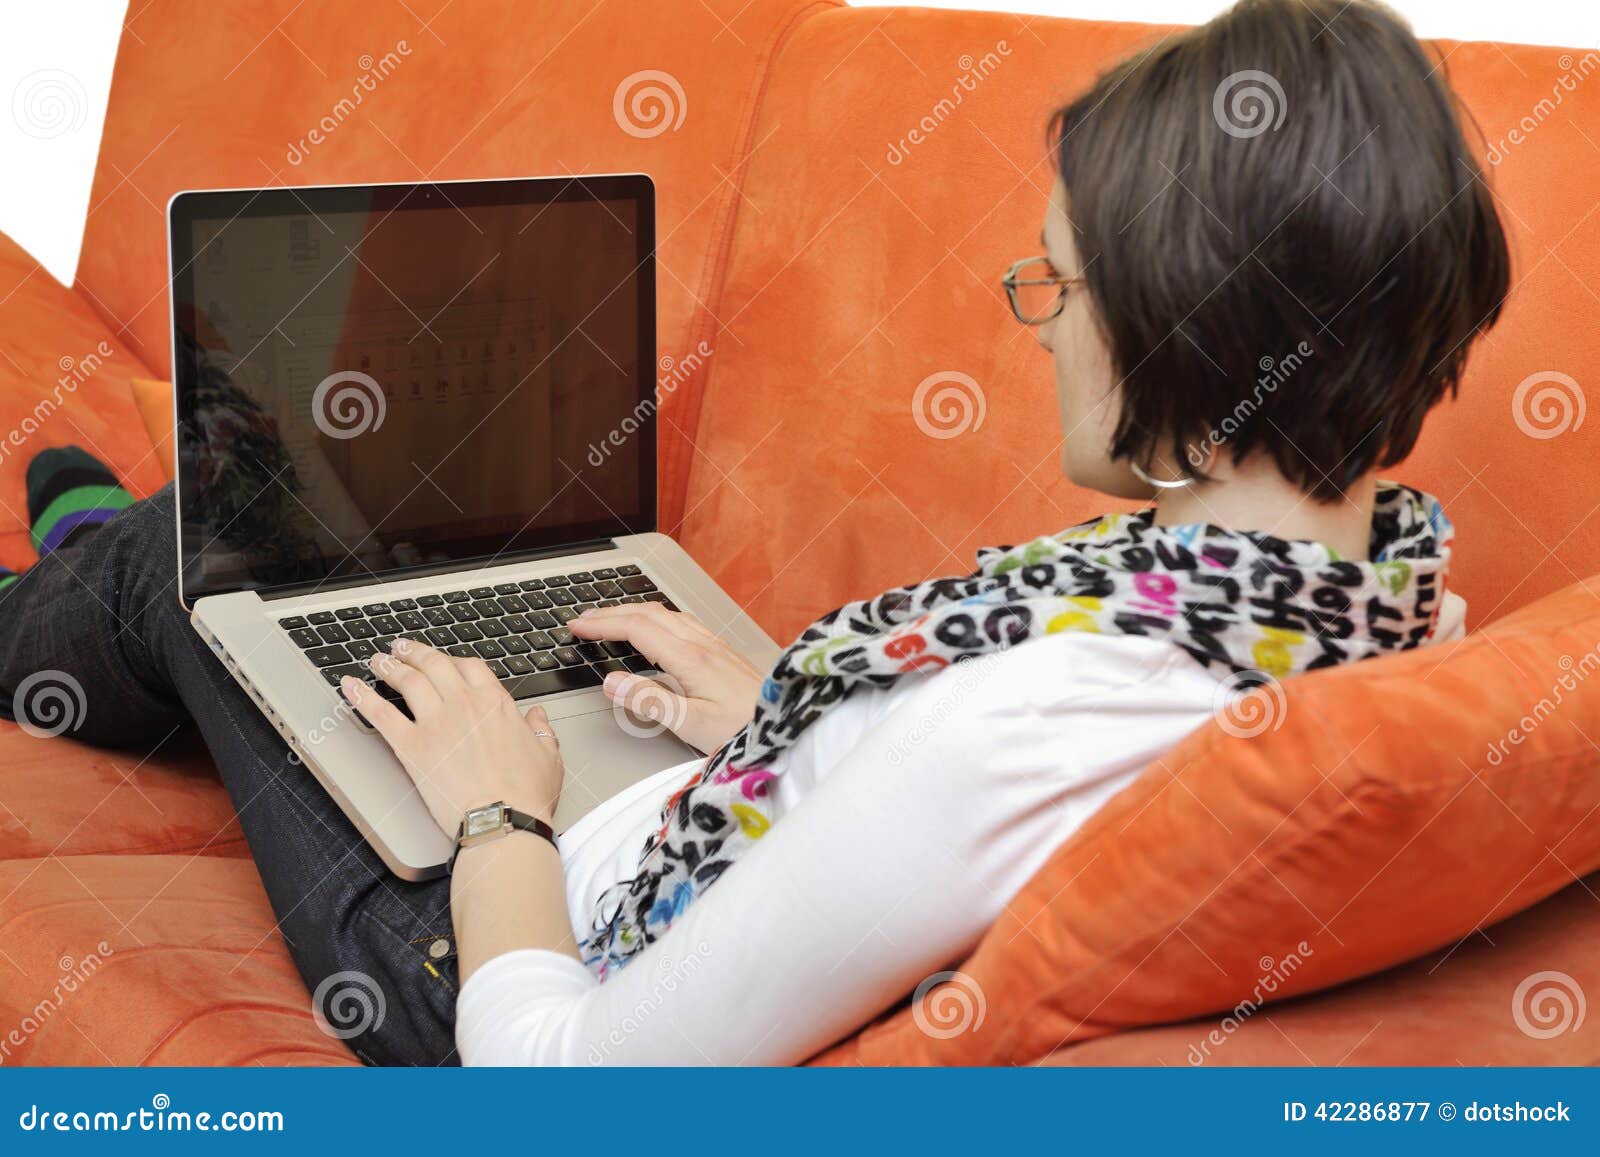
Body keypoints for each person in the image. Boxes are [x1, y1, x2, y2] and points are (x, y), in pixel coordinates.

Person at [0, 0, 1505, 1065]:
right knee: (347, 556)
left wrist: (495, 809)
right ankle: (124, 537)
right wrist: (791, 705)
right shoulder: (1381, 601)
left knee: (203, 575)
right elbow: (960, 792)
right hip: (684, 820)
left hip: (470, 959)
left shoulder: (1014, 735)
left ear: (1186, 326)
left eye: (1061, 290)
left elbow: (553, 1077)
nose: (1039, 333)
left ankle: (86, 566)